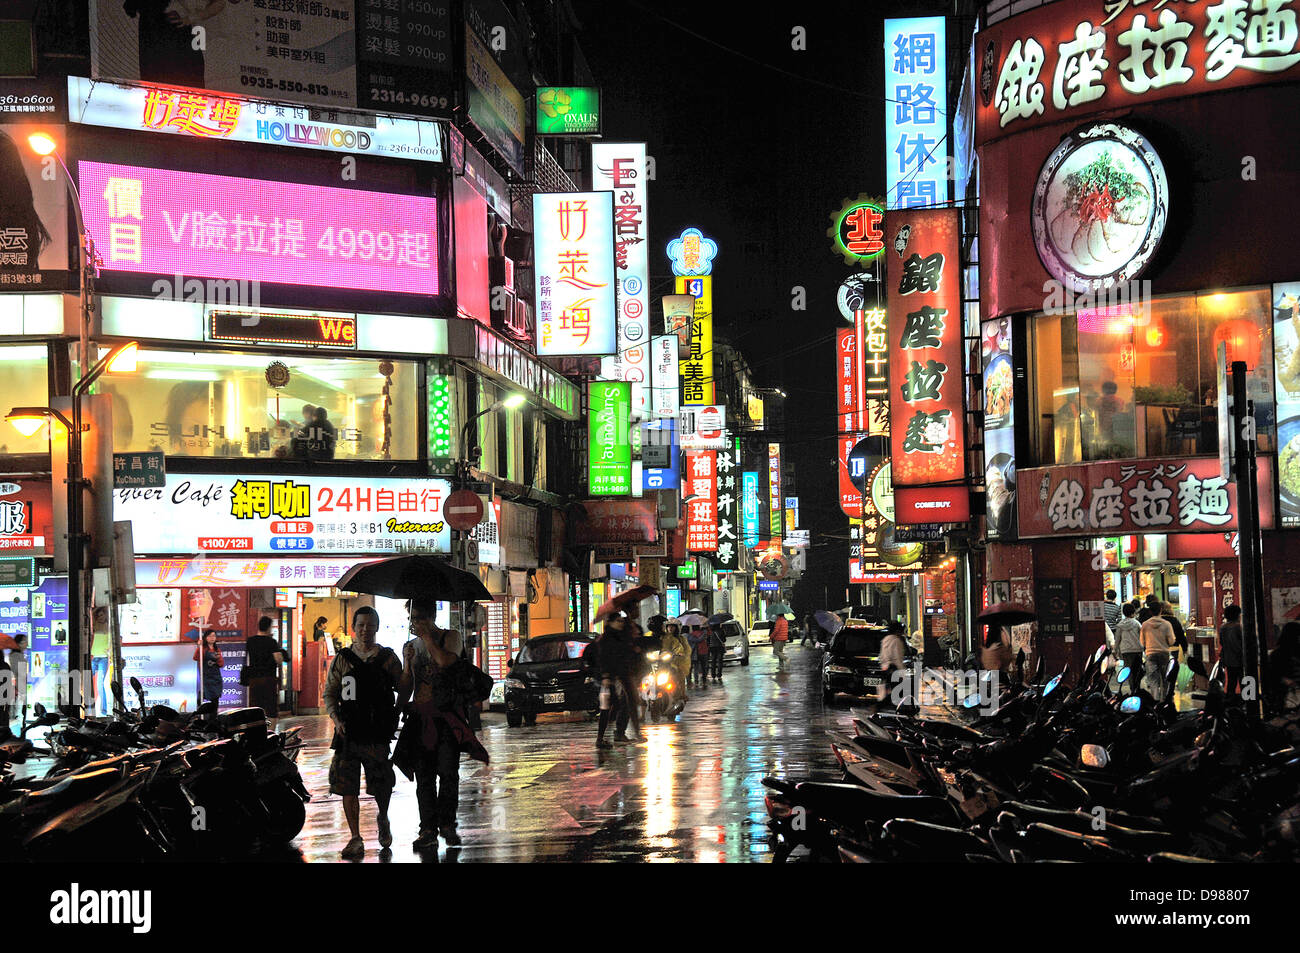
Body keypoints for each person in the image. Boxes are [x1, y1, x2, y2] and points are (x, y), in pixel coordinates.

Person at [394, 599, 487, 849]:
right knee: (423, 777)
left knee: (447, 773)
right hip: (421, 719)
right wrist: (406, 664)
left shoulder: (451, 637)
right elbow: (406, 689)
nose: (415, 623)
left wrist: (427, 638)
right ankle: (427, 829)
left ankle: (447, 824)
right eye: (412, 618)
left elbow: (446, 662)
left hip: (447, 718)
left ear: (431, 616)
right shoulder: (411, 646)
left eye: (419, 617)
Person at [324, 606, 403, 860]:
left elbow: (403, 687)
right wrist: (336, 720)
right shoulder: (342, 659)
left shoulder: (389, 659)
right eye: (361, 625)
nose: (365, 630)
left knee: (381, 784)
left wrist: (396, 713)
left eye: (370, 625)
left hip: (377, 733)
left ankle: (383, 816)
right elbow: (330, 694)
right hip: (348, 732)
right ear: (353, 628)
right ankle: (355, 837)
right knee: (347, 786)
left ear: (377, 627)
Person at [592, 615, 643, 749]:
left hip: (622, 675)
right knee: (608, 707)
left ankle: (630, 733)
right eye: (618, 621)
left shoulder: (622, 636)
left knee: (628, 703)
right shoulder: (605, 639)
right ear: (610, 622)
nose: (620, 623)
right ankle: (601, 738)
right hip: (611, 678)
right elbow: (603, 658)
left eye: (621, 621)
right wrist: (606, 676)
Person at [245, 616, 285, 728]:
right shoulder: (271, 642)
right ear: (269, 627)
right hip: (268, 678)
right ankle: (270, 733)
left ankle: (256, 732)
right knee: (271, 707)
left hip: (254, 679)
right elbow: (278, 659)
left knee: (255, 707)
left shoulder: (250, 641)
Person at [1140, 609, 1177, 702]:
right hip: (1164, 654)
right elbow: (1172, 641)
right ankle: (1164, 700)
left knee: (1153, 680)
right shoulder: (1166, 624)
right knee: (1165, 679)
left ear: (1150, 612)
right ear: (1160, 611)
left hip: (1150, 654)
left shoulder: (1145, 624)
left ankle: (1155, 701)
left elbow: (1141, 642)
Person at [1268, 621, 1300, 713]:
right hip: (1287, 697)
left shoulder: (1280, 653)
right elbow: (1273, 676)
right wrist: (1286, 681)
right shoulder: (1278, 654)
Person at [660, 618, 692, 699]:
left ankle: (682, 694)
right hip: (664, 663)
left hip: (679, 663)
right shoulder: (663, 638)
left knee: (680, 678)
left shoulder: (681, 639)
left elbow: (686, 649)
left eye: (672, 627)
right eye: (669, 627)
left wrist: (681, 654)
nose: (670, 628)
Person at [1217, 605, 1244, 697]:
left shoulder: (1223, 627)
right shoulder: (1238, 627)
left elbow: (1221, 643)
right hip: (1241, 661)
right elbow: (1238, 645)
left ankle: (1230, 703)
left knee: (1231, 683)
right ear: (1237, 615)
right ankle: (1249, 704)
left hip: (1229, 660)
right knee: (1246, 682)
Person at [91, 607, 112, 717]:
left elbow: (112, 642)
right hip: (94, 657)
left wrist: (109, 650)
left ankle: (103, 710)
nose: (100, 617)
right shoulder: (95, 625)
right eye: (98, 615)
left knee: (100, 684)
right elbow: (91, 613)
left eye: (102, 615)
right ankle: (88, 708)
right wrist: (97, 610)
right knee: (86, 682)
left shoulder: (109, 628)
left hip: (103, 658)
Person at [193, 630, 224, 705]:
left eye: (214, 636)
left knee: (215, 698)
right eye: (210, 636)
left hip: (216, 677)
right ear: (205, 638)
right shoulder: (202, 648)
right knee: (202, 696)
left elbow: (221, 664)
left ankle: (213, 716)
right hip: (206, 676)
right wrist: (199, 647)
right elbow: (195, 658)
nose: (212, 638)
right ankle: (198, 713)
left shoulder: (217, 650)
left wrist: (218, 658)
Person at [1115, 601, 1143, 682]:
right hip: (1137, 649)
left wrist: (1115, 650)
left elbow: (1117, 639)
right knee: (1137, 670)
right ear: (1133, 612)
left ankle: (1132, 686)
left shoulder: (1120, 625)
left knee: (1128, 670)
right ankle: (1137, 686)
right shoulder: (1137, 624)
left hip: (1125, 650)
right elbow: (1142, 636)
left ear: (1123, 613)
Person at [878, 621, 906, 703]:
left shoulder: (885, 639)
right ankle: (879, 706)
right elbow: (898, 658)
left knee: (890, 691)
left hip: (886, 668)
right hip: (894, 669)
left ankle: (880, 706)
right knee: (898, 692)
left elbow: (882, 655)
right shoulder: (896, 641)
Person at [687, 624, 709, 689]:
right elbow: (701, 639)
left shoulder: (691, 635)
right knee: (703, 667)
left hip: (696, 653)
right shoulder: (703, 633)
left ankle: (696, 682)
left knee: (696, 668)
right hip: (704, 652)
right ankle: (704, 681)